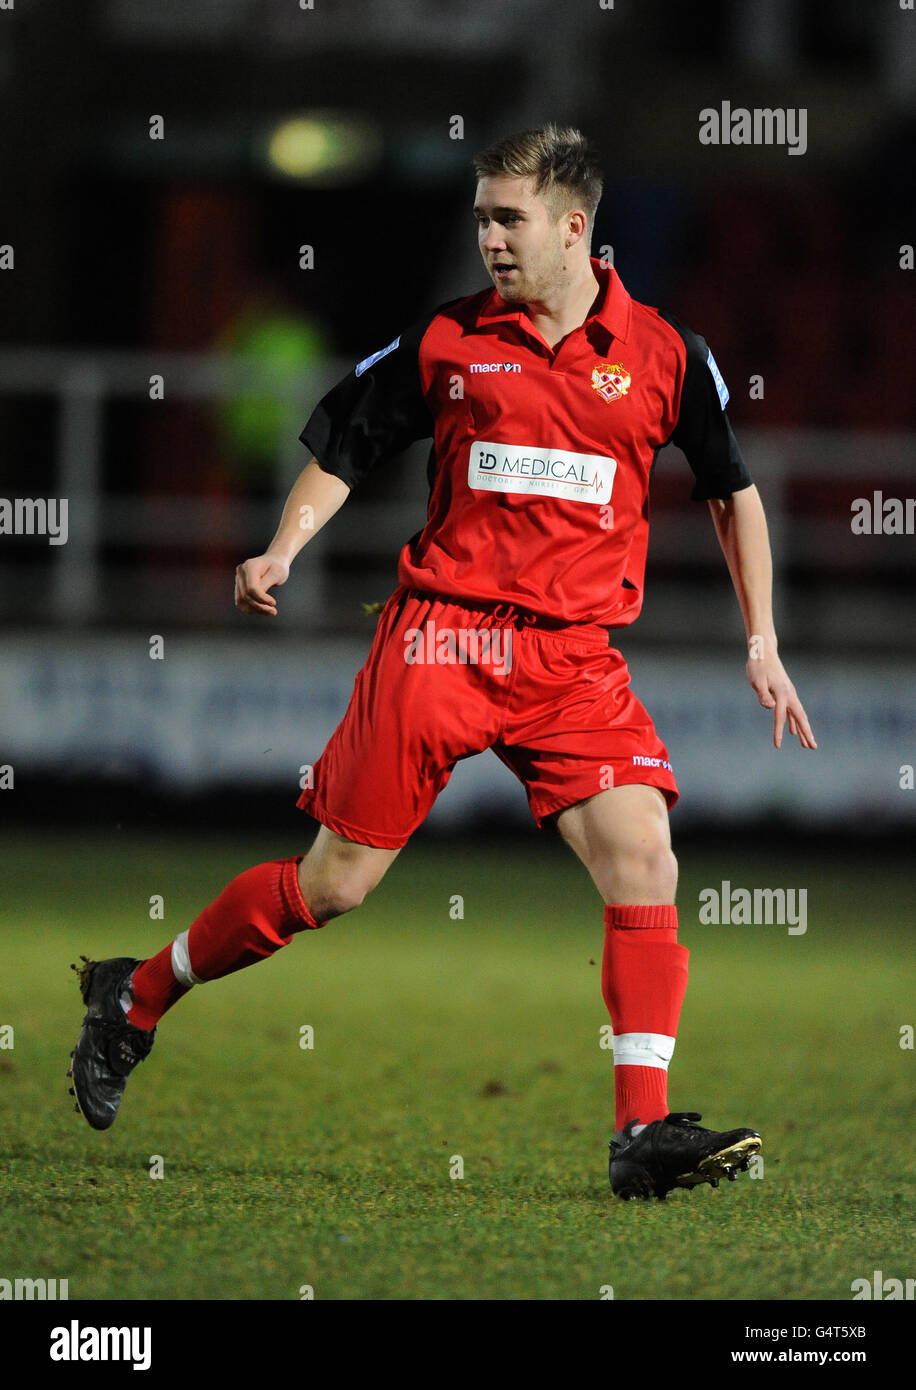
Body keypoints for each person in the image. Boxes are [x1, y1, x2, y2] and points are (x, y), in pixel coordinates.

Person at [69, 125, 816, 1201]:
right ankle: (133, 995)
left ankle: (640, 1132)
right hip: (442, 638)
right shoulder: (450, 340)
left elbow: (731, 491)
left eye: (508, 218)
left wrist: (763, 640)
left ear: (574, 227)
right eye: (480, 218)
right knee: (334, 887)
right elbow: (345, 443)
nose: (490, 239)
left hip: (572, 661)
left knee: (645, 860)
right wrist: (282, 547)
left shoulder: (661, 353)